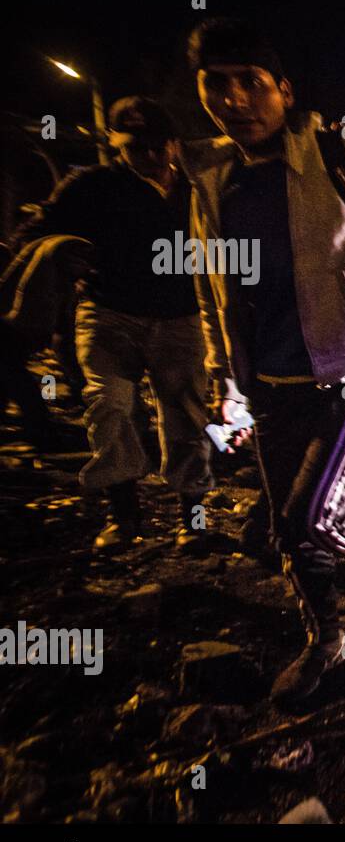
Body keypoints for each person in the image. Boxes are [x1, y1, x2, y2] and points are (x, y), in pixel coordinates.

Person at [184, 18, 345, 704]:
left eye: (251, 83)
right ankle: (325, 640)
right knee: (284, 529)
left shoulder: (342, 154)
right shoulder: (213, 180)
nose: (235, 99)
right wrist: (225, 378)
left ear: (284, 90)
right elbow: (213, 287)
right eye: (218, 85)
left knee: (312, 518)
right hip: (270, 383)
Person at [13, 97, 213, 550]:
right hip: (109, 316)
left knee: (186, 418)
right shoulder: (92, 185)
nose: (142, 155)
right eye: (131, 145)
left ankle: (195, 521)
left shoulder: (199, 189)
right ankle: (123, 519)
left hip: (181, 319)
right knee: (109, 408)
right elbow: (34, 233)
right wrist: (59, 248)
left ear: (173, 145)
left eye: (152, 145)